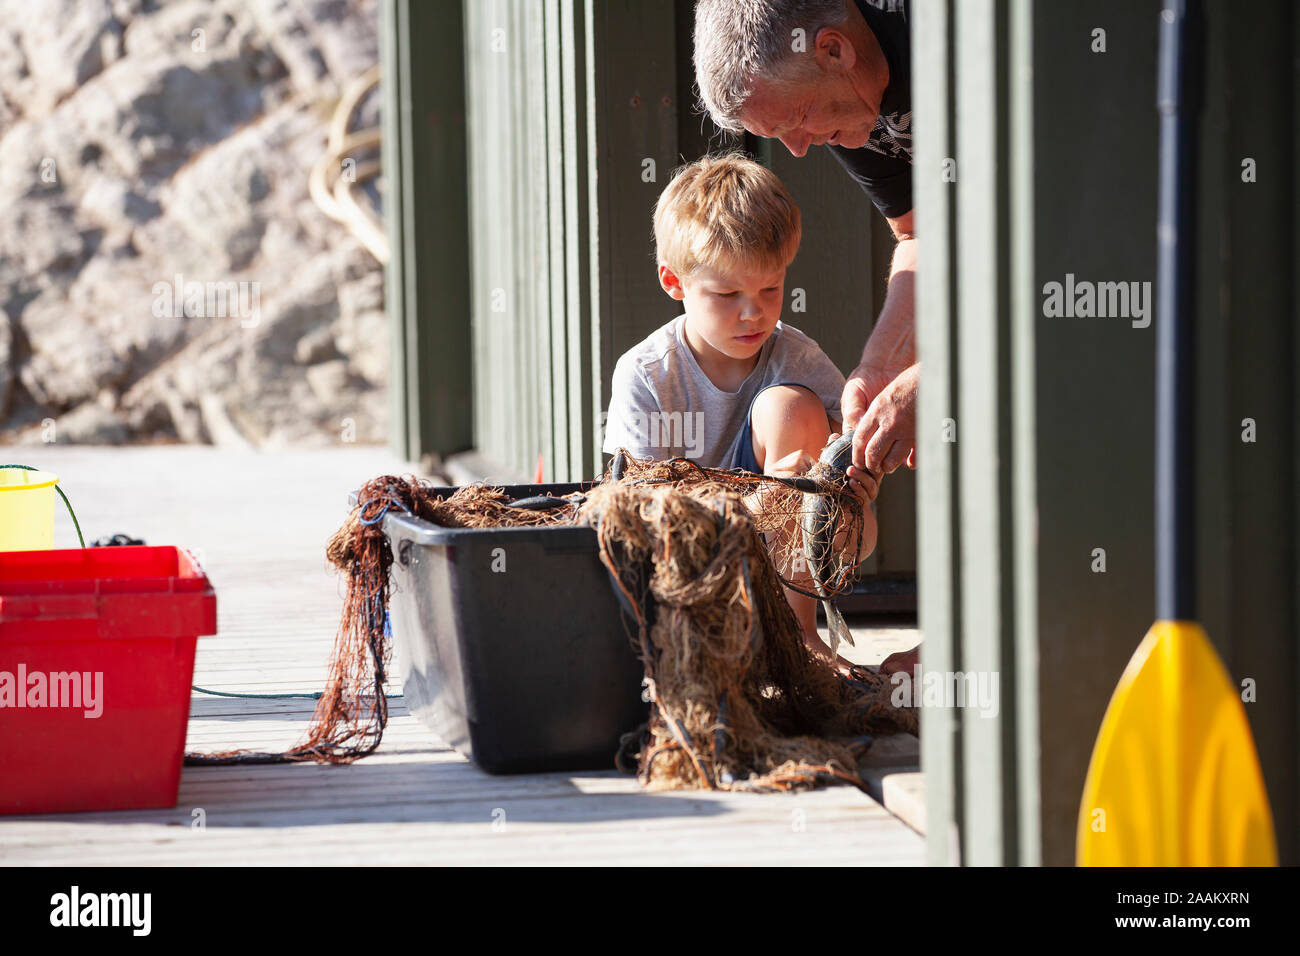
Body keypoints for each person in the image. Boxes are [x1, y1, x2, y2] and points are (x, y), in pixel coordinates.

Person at [694, 0, 921, 676]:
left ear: (833, 49)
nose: (797, 147)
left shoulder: (959, 39)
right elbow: (923, 232)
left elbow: (1066, 236)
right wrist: (882, 365)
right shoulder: (844, 107)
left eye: (795, 122)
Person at [601, 153, 875, 664]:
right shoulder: (646, 373)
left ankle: (798, 638)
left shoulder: (794, 355)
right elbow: (635, 506)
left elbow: (853, 440)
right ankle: (711, 644)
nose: (754, 312)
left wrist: (844, 476)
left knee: (791, 408)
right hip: (690, 561)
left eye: (771, 288)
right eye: (727, 293)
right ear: (674, 283)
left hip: (782, 560)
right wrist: (747, 509)